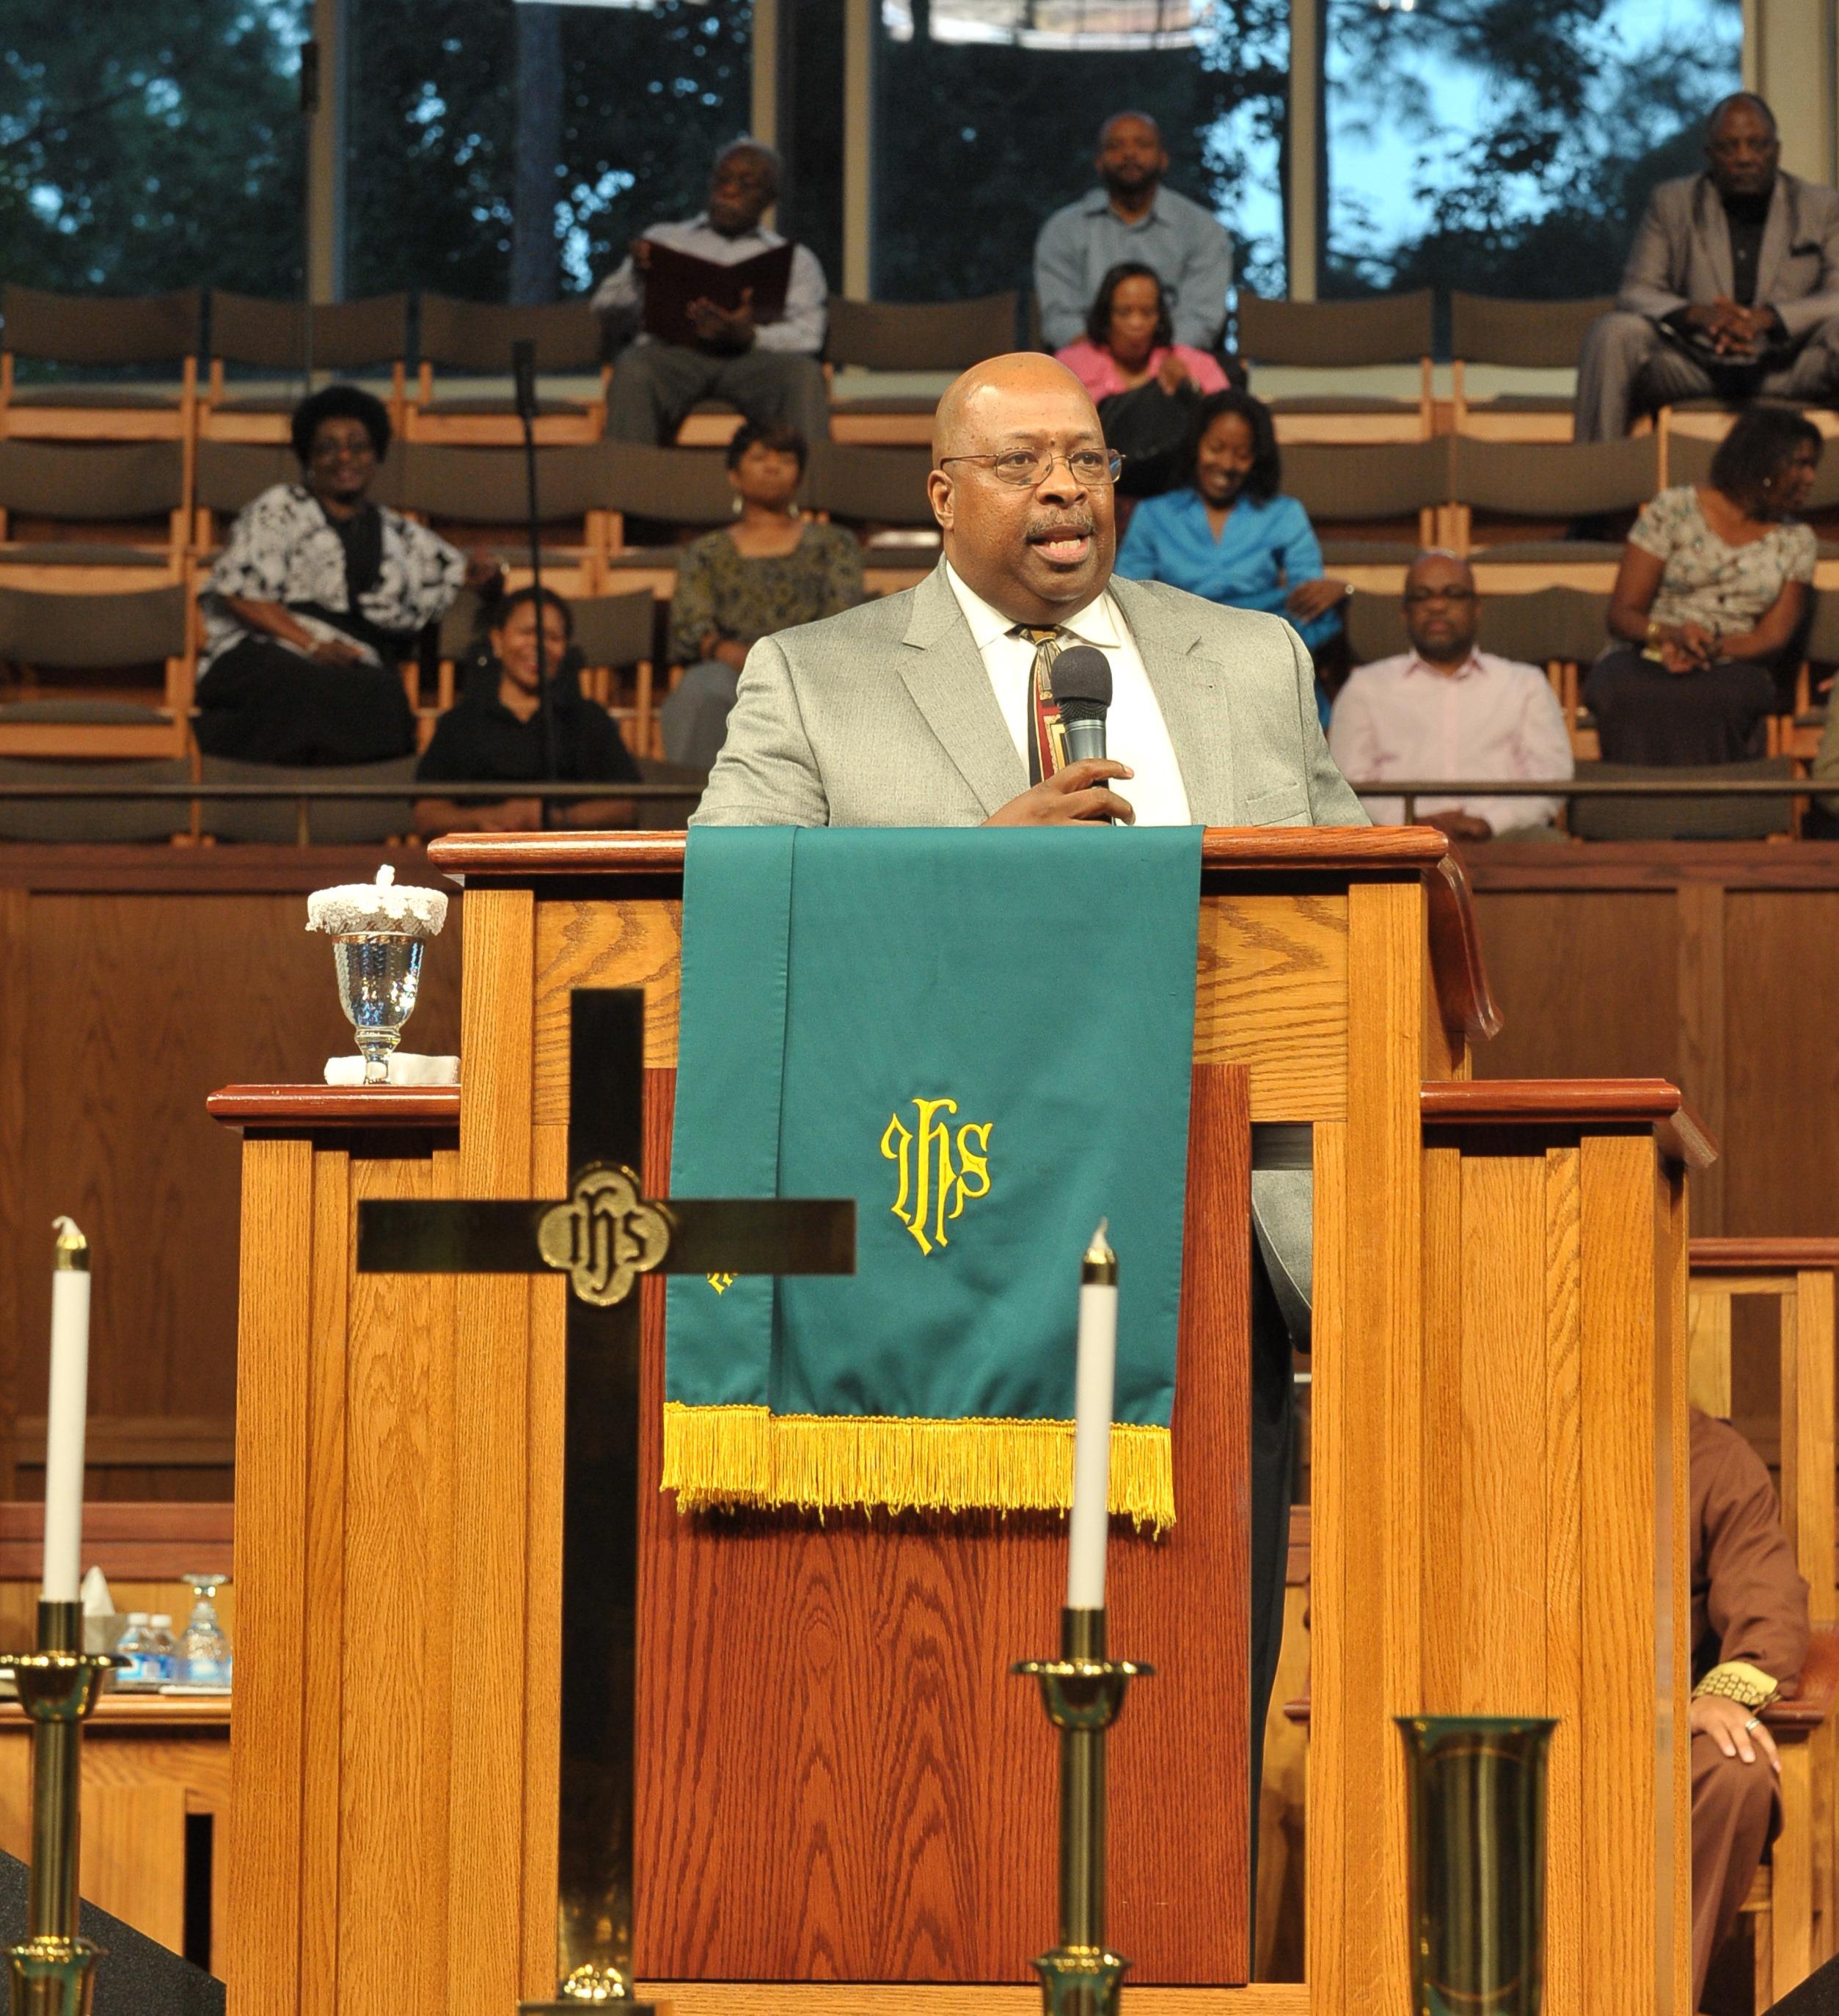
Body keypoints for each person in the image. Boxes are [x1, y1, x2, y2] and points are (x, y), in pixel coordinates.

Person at [692, 352, 1367, 1867]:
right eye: (1020, 463)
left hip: (1205, 1228)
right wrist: (973, 862)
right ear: (939, 495)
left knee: (1202, 1674)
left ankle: (1175, 1930)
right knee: (928, 1709)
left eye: (1085, 459)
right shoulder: (814, 676)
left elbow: (1353, 909)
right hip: (930, 1245)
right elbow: (726, 916)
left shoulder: (1247, 658)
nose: (1064, 488)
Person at [196, 384, 491, 766]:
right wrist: (311, 645)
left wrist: (492, 574)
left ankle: (361, 812)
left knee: (382, 691)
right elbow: (240, 592)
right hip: (269, 651)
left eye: (358, 445)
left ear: (377, 453)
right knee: (304, 682)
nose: (344, 457)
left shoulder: (395, 531)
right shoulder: (280, 507)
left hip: (352, 664)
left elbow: (458, 570)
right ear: (309, 458)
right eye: (327, 447)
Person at [1575, 94, 1839, 441]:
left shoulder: (1822, 206)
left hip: (1787, 366)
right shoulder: (1672, 203)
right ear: (1709, 156)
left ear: (1776, 150)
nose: (1744, 158)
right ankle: (1597, 484)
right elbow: (1636, 292)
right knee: (1613, 333)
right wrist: (1700, 317)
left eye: (1756, 145)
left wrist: (1769, 319)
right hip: (1697, 366)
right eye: (1729, 148)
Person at [1588, 403, 1819, 765]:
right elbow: (1622, 613)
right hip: (1647, 649)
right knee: (1626, 690)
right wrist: (1668, 636)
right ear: (1763, 461)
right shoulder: (1674, 508)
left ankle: (1712, 816)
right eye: (1800, 464)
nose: (1810, 477)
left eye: (1812, 466)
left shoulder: (1798, 540)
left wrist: (1707, 648)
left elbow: (1771, 637)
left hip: (1733, 659)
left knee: (1719, 698)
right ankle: (1632, 814)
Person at [1688, 1406, 1810, 2006]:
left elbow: (1769, 1604)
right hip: (1520, 1717)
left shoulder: (1710, 1458)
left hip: (1660, 1738)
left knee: (1735, 1771)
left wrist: (1699, 1703)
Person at [593, 139, 830, 448]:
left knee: (805, 376)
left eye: (746, 184)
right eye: (723, 179)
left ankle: (811, 494)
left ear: (770, 198)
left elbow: (810, 335)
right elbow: (604, 308)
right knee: (634, 368)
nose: (729, 191)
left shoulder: (797, 260)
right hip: (673, 357)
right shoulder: (664, 239)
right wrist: (638, 277)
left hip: (752, 361)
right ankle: (624, 494)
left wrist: (751, 336)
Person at [1328, 552, 1574, 841]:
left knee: (1549, 846)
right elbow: (1345, 784)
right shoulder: (1365, 688)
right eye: (1422, 596)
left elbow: (1551, 779)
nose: (1437, 606)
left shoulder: (1524, 684)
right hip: (1395, 841)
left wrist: (1490, 822)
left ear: (1477, 607)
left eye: (1453, 594)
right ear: (1404, 612)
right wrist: (1409, 823)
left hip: (1503, 839)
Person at [662, 421, 863, 770]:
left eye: (785, 459)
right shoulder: (705, 551)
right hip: (729, 671)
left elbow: (842, 617)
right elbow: (691, 628)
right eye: (759, 457)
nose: (772, 466)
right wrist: (744, 658)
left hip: (810, 668)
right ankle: (698, 810)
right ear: (734, 475)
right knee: (700, 689)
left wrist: (784, 661)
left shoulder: (834, 544)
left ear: (799, 476)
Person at [1114, 390, 1349, 660]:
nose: (1227, 464)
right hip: (1180, 653)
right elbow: (1129, 598)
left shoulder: (1284, 513)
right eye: (1216, 448)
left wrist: (1336, 590)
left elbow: (1307, 597)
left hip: (1261, 652)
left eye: (1242, 455)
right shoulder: (1153, 516)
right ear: (1196, 445)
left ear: (1258, 458)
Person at [415, 586, 640, 836]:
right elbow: (427, 814)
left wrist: (556, 817)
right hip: (482, 862)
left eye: (553, 637)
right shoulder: (459, 723)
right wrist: (491, 817)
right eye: (527, 632)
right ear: (497, 640)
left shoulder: (589, 719)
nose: (539, 646)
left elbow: (626, 806)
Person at [1034, 112, 1235, 354]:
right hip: (1087, 372)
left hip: (1176, 368)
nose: (1129, 153)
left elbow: (1202, 316)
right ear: (1099, 161)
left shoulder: (1202, 229)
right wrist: (1106, 369)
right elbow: (1060, 317)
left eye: (1142, 144)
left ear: (1163, 159)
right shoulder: (1062, 230)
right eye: (1116, 146)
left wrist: (1157, 366)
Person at [1056, 263, 1229, 497]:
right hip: (1091, 490)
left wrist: (1190, 386)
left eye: (1147, 313)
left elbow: (1229, 424)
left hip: (1174, 494)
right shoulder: (1070, 364)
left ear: (1159, 317)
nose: (1136, 324)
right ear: (1107, 316)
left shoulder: (1191, 363)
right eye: (1125, 312)